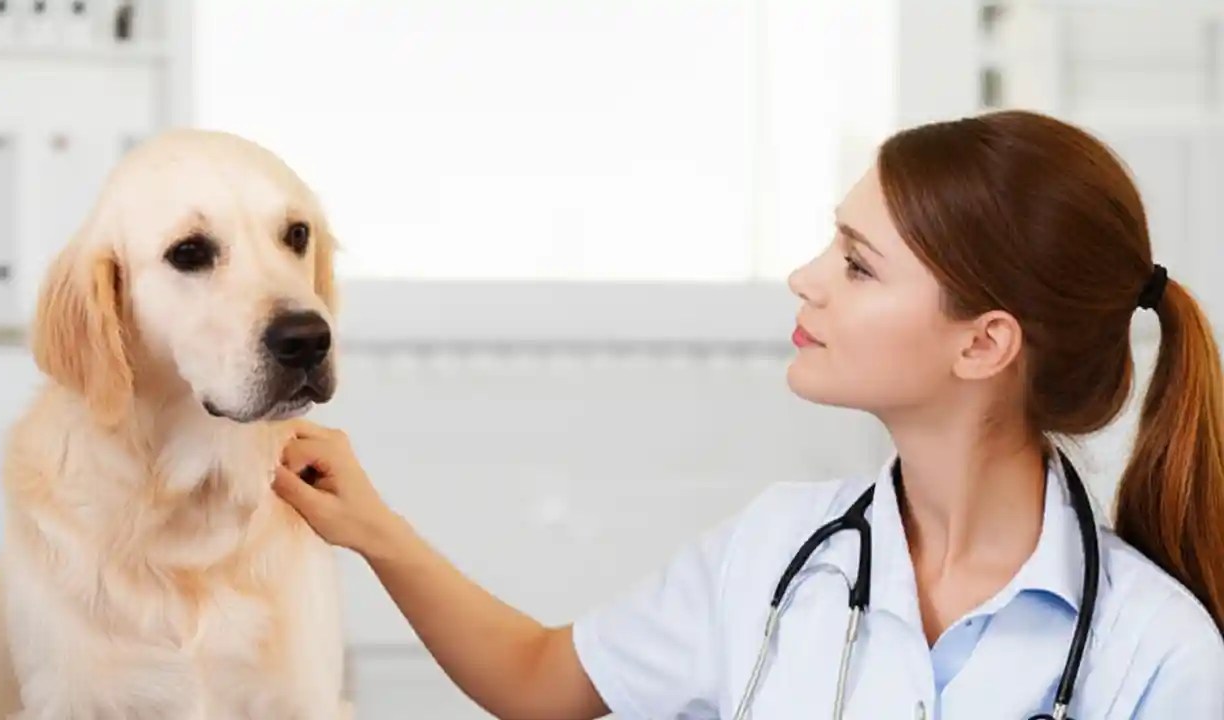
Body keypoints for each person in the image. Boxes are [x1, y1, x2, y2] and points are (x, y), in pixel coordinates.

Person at [271, 110, 1224, 719]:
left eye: (857, 263)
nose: (804, 280)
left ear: (984, 344)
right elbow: (536, 679)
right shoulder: (774, 555)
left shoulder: (1159, 656)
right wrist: (376, 534)